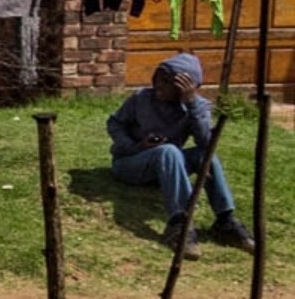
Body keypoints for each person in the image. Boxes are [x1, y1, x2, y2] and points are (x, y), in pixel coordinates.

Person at [108, 53, 258, 254]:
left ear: (184, 87)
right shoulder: (141, 98)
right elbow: (115, 124)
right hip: (130, 163)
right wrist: (135, 146)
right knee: (169, 150)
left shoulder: (197, 106)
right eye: (158, 79)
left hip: (168, 167)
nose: (159, 86)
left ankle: (225, 221)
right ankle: (180, 222)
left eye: (167, 82)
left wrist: (192, 104)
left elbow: (206, 143)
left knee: (206, 155)